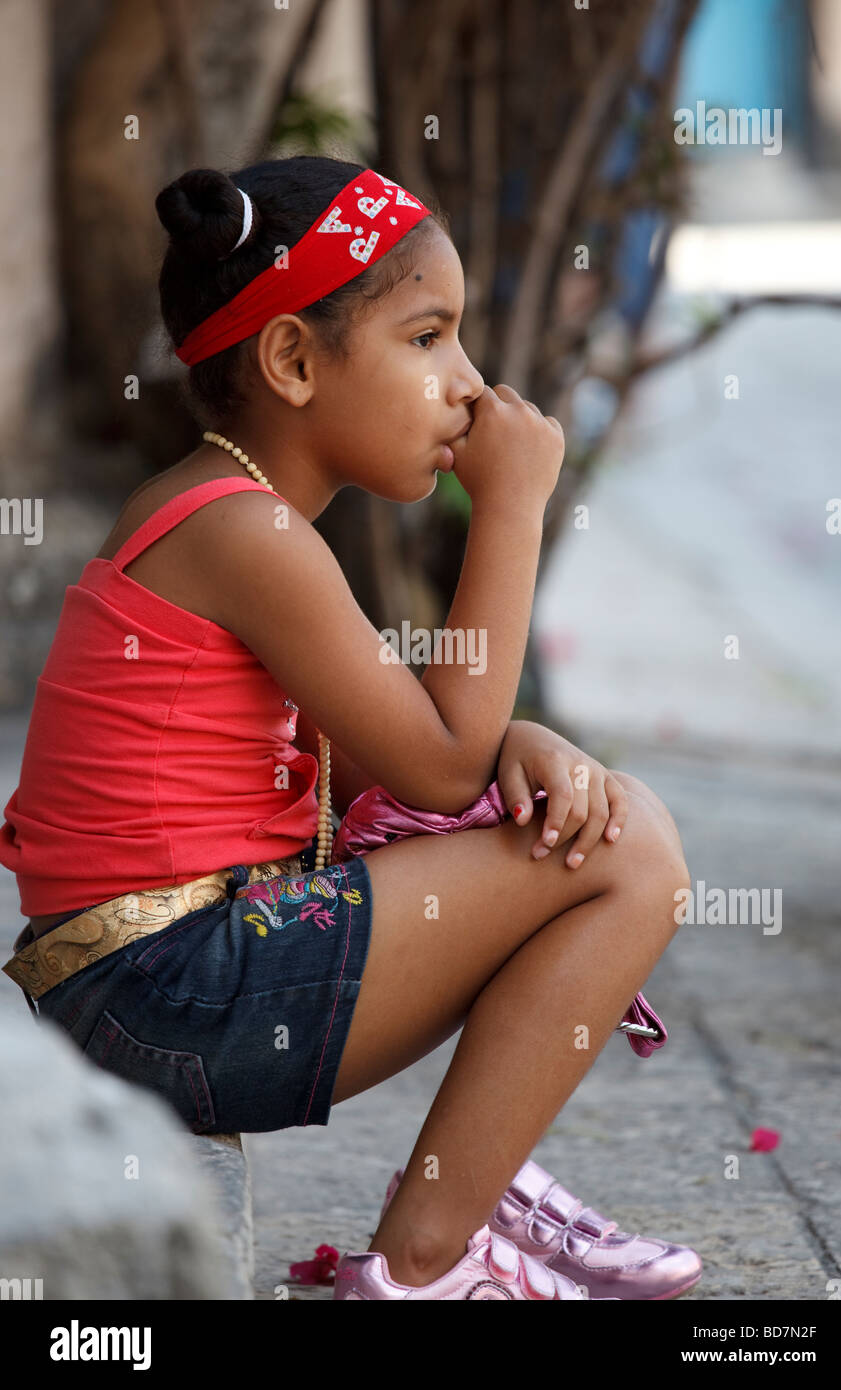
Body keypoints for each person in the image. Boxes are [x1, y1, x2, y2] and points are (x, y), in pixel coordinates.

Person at [0, 156, 696, 1301]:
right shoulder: (245, 534)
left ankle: (479, 1185)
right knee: (633, 852)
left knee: (583, 818)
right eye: (427, 340)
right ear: (290, 360)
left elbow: (409, 750)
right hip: (169, 991)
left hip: (144, 989)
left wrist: (517, 745)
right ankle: (433, 1251)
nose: (470, 389)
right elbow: (437, 765)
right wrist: (512, 507)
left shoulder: (224, 516)